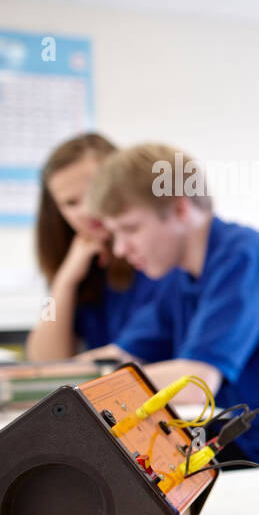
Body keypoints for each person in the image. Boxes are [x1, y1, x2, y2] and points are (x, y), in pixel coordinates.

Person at [80, 143, 259, 466]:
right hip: (228, 436)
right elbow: (121, 355)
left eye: (130, 229)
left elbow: (196, 383)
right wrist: (31, 382)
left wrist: (77, 395)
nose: (121, 249)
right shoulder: (179, 276)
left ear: (180, 209)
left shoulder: (244, 258)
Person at [26, 133, 160, 360]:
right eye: (71, 203)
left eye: (94, 192)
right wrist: (64, 281)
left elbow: (129, 358)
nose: (88, 210)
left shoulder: (157, 256)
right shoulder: (81, 263)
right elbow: (43, 360)